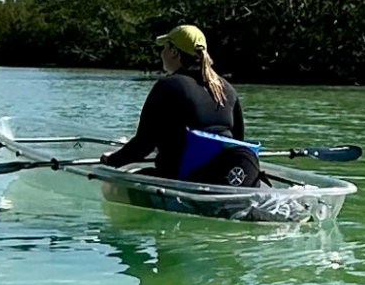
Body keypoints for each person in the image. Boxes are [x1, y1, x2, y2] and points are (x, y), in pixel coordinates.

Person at [101, 24, 257, 184]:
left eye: (165, 48)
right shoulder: (227, 89)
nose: (162, 53)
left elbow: (142, 145)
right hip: (222, 177)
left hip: (181, 181)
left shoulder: (168, 86)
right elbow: (237, 143)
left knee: (112, 184)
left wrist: (111, 160)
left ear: (174, 52)